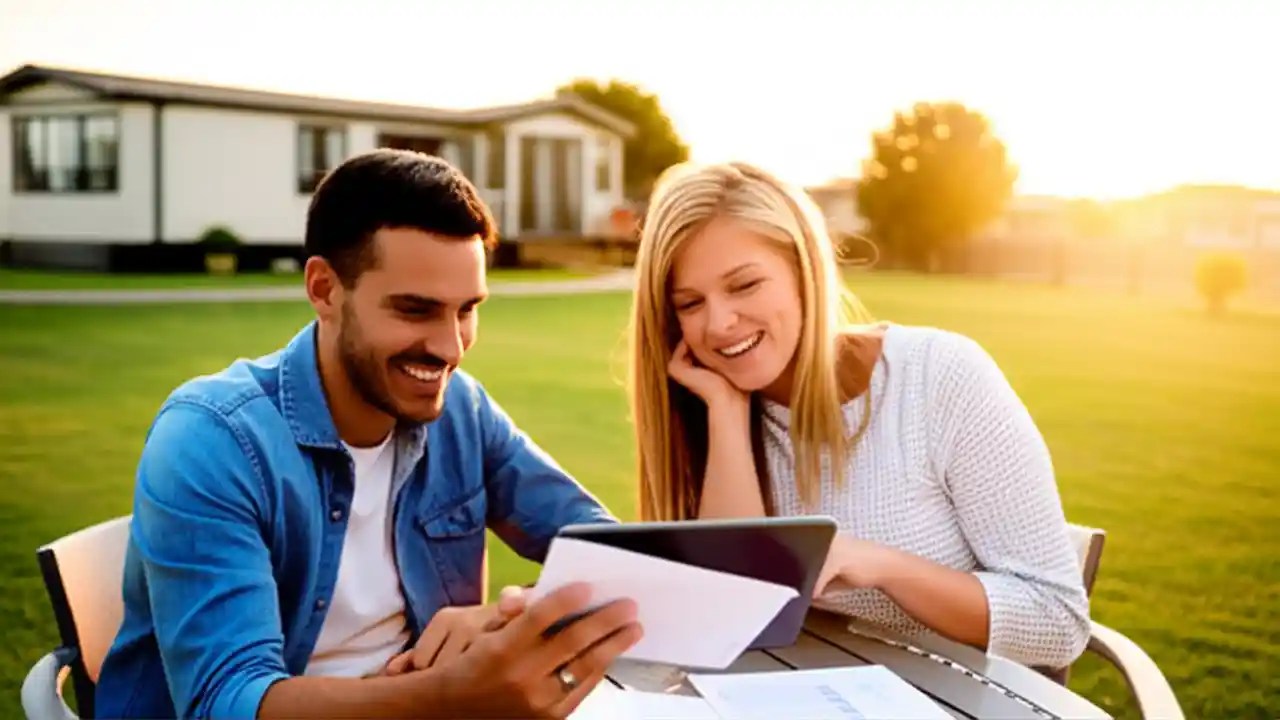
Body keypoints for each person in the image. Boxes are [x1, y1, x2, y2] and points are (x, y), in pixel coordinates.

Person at [95, 149, 642, 719]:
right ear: (325, 289)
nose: (450, 348)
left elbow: (607, 552)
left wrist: (505, 617)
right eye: (415, 310)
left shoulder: (462, 412)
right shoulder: (213, 439)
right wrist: (456, 695)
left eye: (467, 310)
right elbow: (227, 704)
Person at [624, 160, 1090, 670]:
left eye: (744, 285)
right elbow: (728, 620)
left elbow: (1056, 623)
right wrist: (729, 415)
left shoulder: (938, 376)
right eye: (691, 304)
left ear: (803, 272)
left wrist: (879, 565)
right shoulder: (714, 410)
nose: (719, 324)